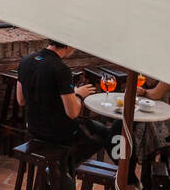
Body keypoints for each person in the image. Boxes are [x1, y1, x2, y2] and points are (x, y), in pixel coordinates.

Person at [16, 40, 116, 169]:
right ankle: (61, 169)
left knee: (93, 129)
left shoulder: (26, 61)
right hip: (58, 134)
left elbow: (21, 100)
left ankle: (58, 169)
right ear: (68, 45)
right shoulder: (61, 69)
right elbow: (73, 113)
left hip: (33, 128)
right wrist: (79, 94)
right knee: (103, 134)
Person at [133, 78, 170, 163]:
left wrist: (143, 92)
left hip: (165, 118)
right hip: (156, 113)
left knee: (140, 126)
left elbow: (156, 94)